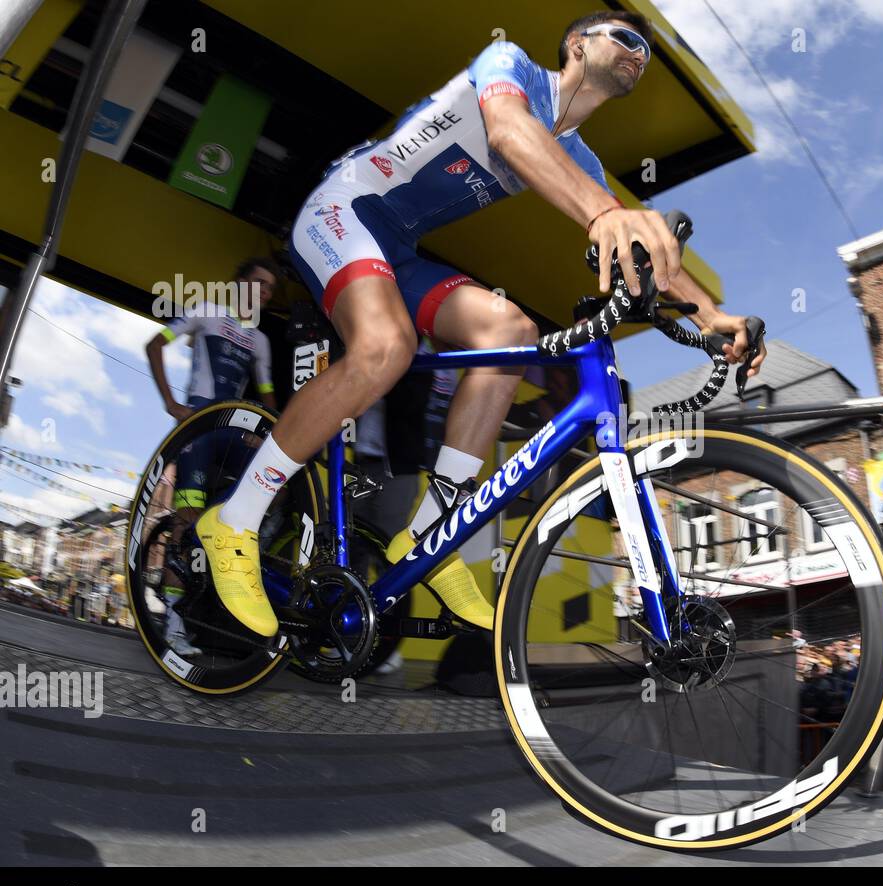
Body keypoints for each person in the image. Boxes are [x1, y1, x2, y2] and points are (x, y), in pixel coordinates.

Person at [192, 14, 766, 638]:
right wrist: (604, 213)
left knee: (510, 331)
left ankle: (432, 533)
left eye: (648, 51)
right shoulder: (511, 67)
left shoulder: (576, 156)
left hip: (396, 248)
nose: (640, 53)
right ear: (578, 45)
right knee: (386, 346)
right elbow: (510, 132)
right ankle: (234, 519)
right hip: (341, 210)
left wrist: (714, 318)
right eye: (626, 39)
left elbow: (636, 246)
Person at [143, 257, 280, 655]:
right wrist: (171, 403)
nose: (265, 293)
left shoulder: (261, 340)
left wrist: (275, 431)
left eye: (270, 289)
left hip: (234, 434)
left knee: (271, 488)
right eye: (259, 283)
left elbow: (268, 394)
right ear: (238, 284)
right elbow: (155, 344)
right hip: (199, 430)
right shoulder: (207, 311)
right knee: (187, 522)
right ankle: (172, 625)